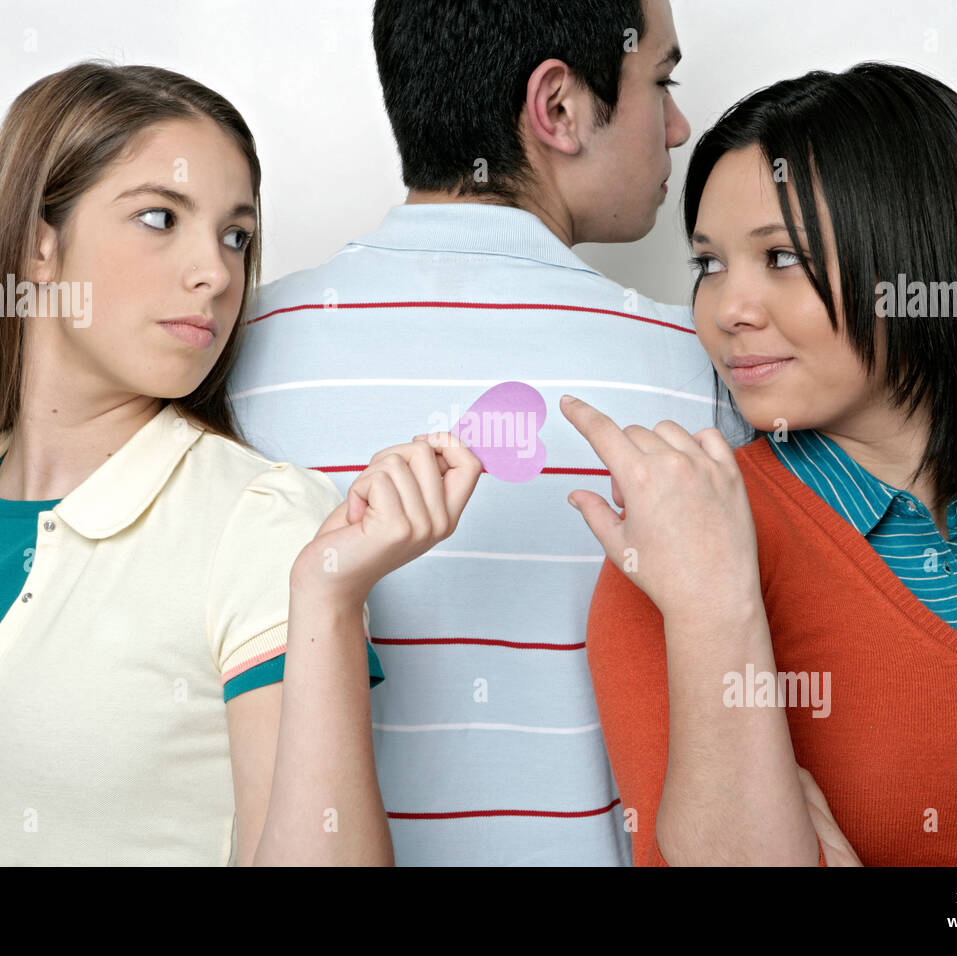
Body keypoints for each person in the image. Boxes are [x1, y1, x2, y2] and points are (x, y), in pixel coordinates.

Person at [0, 61, 481, 867]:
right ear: (39, 247)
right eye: (159, 218)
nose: (216, 272)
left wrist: (327, 597)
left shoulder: (265, 526)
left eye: (235, 235)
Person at [561, 62, 957, 865]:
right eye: (709, 264)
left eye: (781, 257)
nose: (728, 310)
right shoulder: (676, 550)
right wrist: (715, 611)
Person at [227, 0, 725, 864]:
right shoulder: (701, 368)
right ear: (559, 108)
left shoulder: (228, 355)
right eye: (662, 81)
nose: (679, 126)